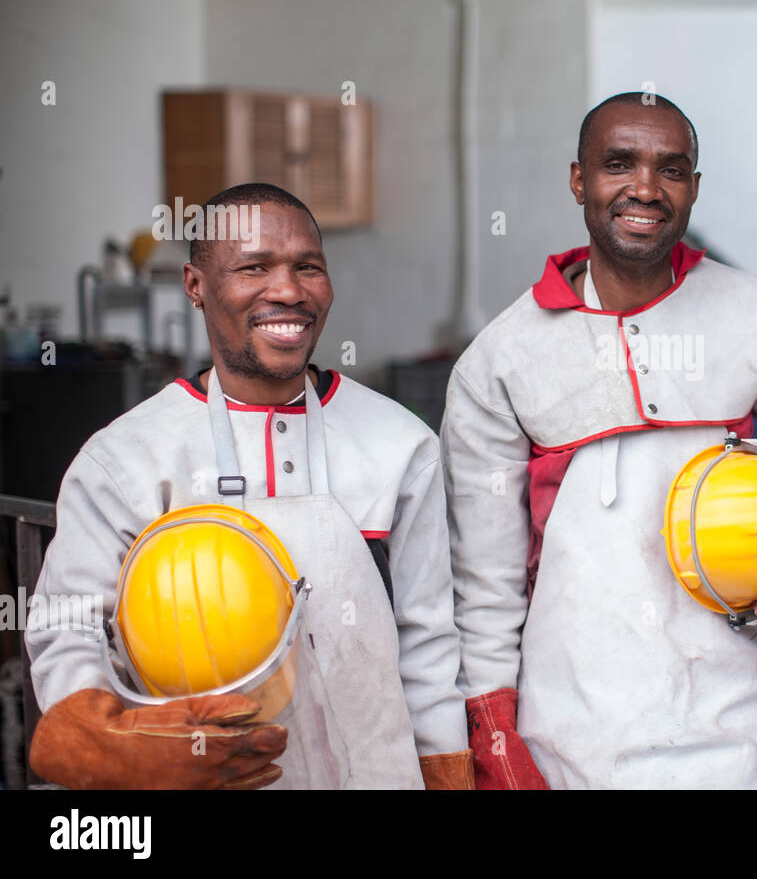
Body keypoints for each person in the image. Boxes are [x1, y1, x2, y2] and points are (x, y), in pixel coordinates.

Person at [441, 93, 757, 789]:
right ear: (578, 180)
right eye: (618, 164)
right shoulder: (503, 358)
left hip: (736, 731)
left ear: (693, 187)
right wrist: (493, 725)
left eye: (672, 169)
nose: (646, 188)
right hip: (569, 734)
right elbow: (484, 581)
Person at [25, 183, 472, 789]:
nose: (287, 291)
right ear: (195, 285)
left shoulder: (398, 445)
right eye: (253, 268)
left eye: (307, 267)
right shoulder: (125, 462)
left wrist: (446, 775)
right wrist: (106, 740)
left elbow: (429, 646)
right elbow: (70, 629)